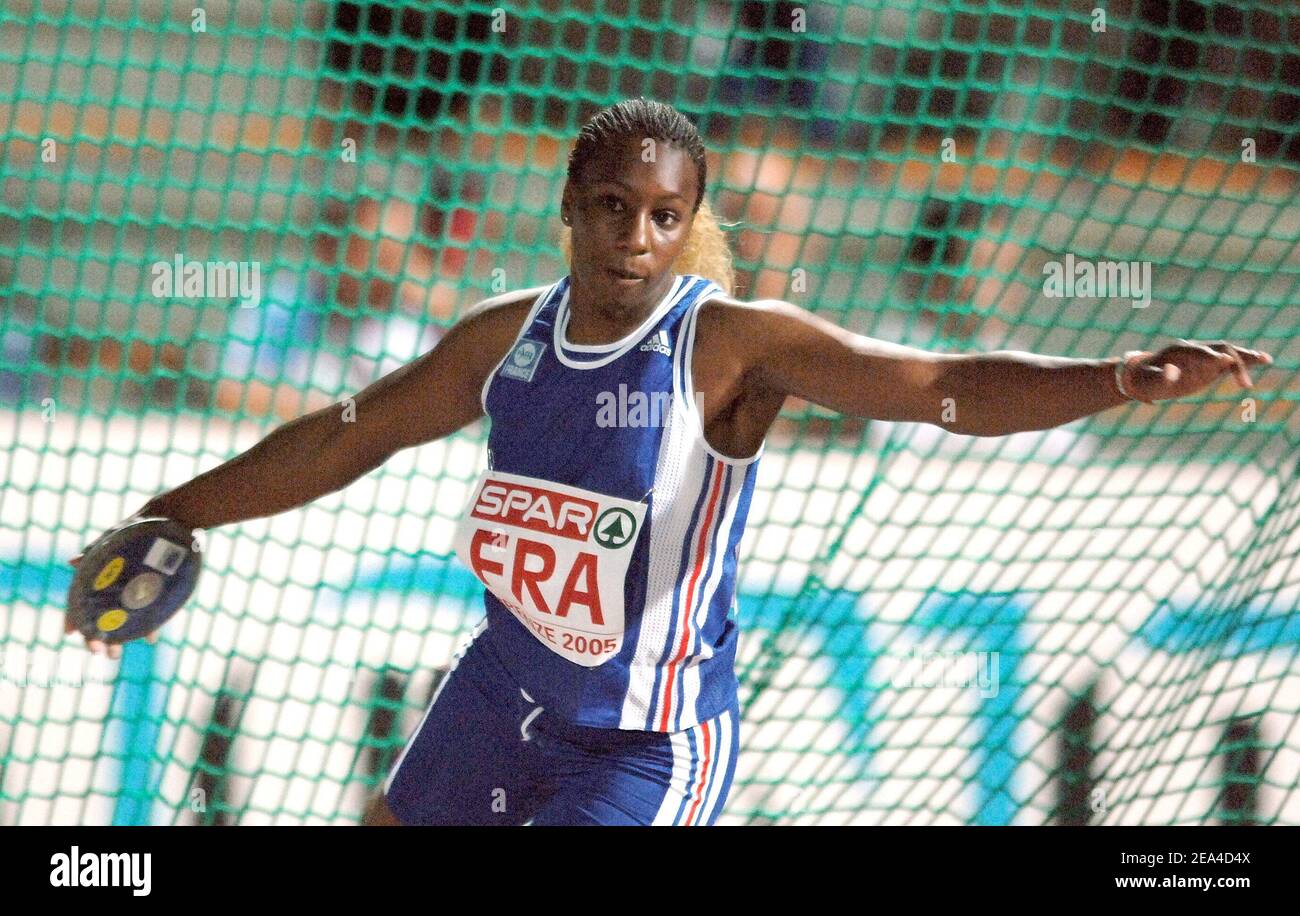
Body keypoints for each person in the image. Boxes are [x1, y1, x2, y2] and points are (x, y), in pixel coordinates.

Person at [67, 98, 1272, 826]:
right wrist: (173, 511)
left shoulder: (728, 346)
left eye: (660, 212)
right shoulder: (506, 336)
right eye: (608, 206)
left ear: (687, 215)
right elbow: (346, 431)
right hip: (498, 695)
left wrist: (1111, 378)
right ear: (571, 206)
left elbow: (938, 385)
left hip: (644, 739)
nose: (632, 235)